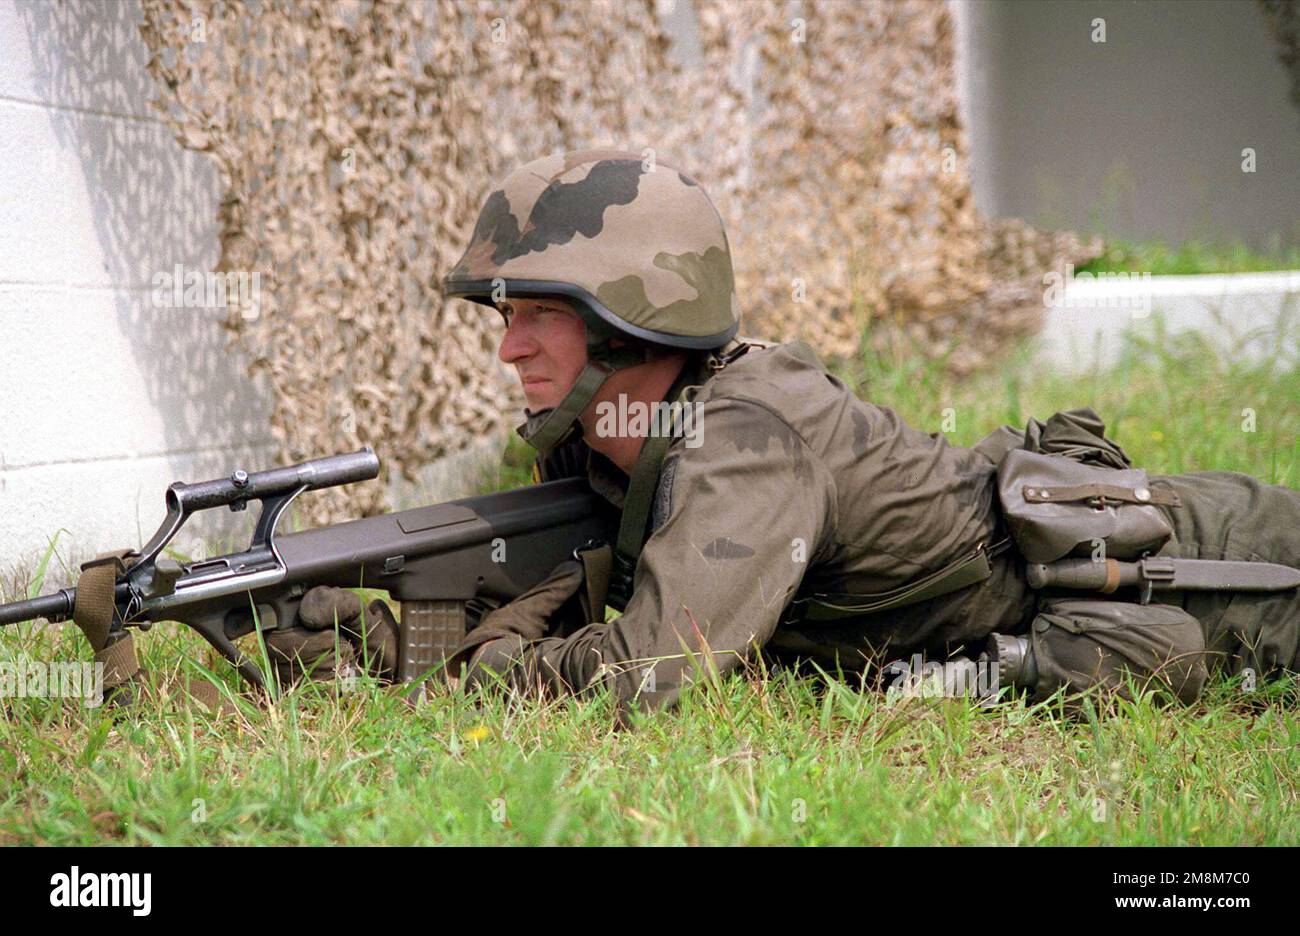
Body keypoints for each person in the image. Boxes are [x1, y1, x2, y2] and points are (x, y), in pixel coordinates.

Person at [269, 149, 1299, 715]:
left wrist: (470, 670)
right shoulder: (626, 435)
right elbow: (555, 586)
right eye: (505, 319)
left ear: (637, 319)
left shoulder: (742, 441)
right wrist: (388, 637)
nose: (510, 350)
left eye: (538, 315)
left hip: (1217, 568)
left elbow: (647, 676)